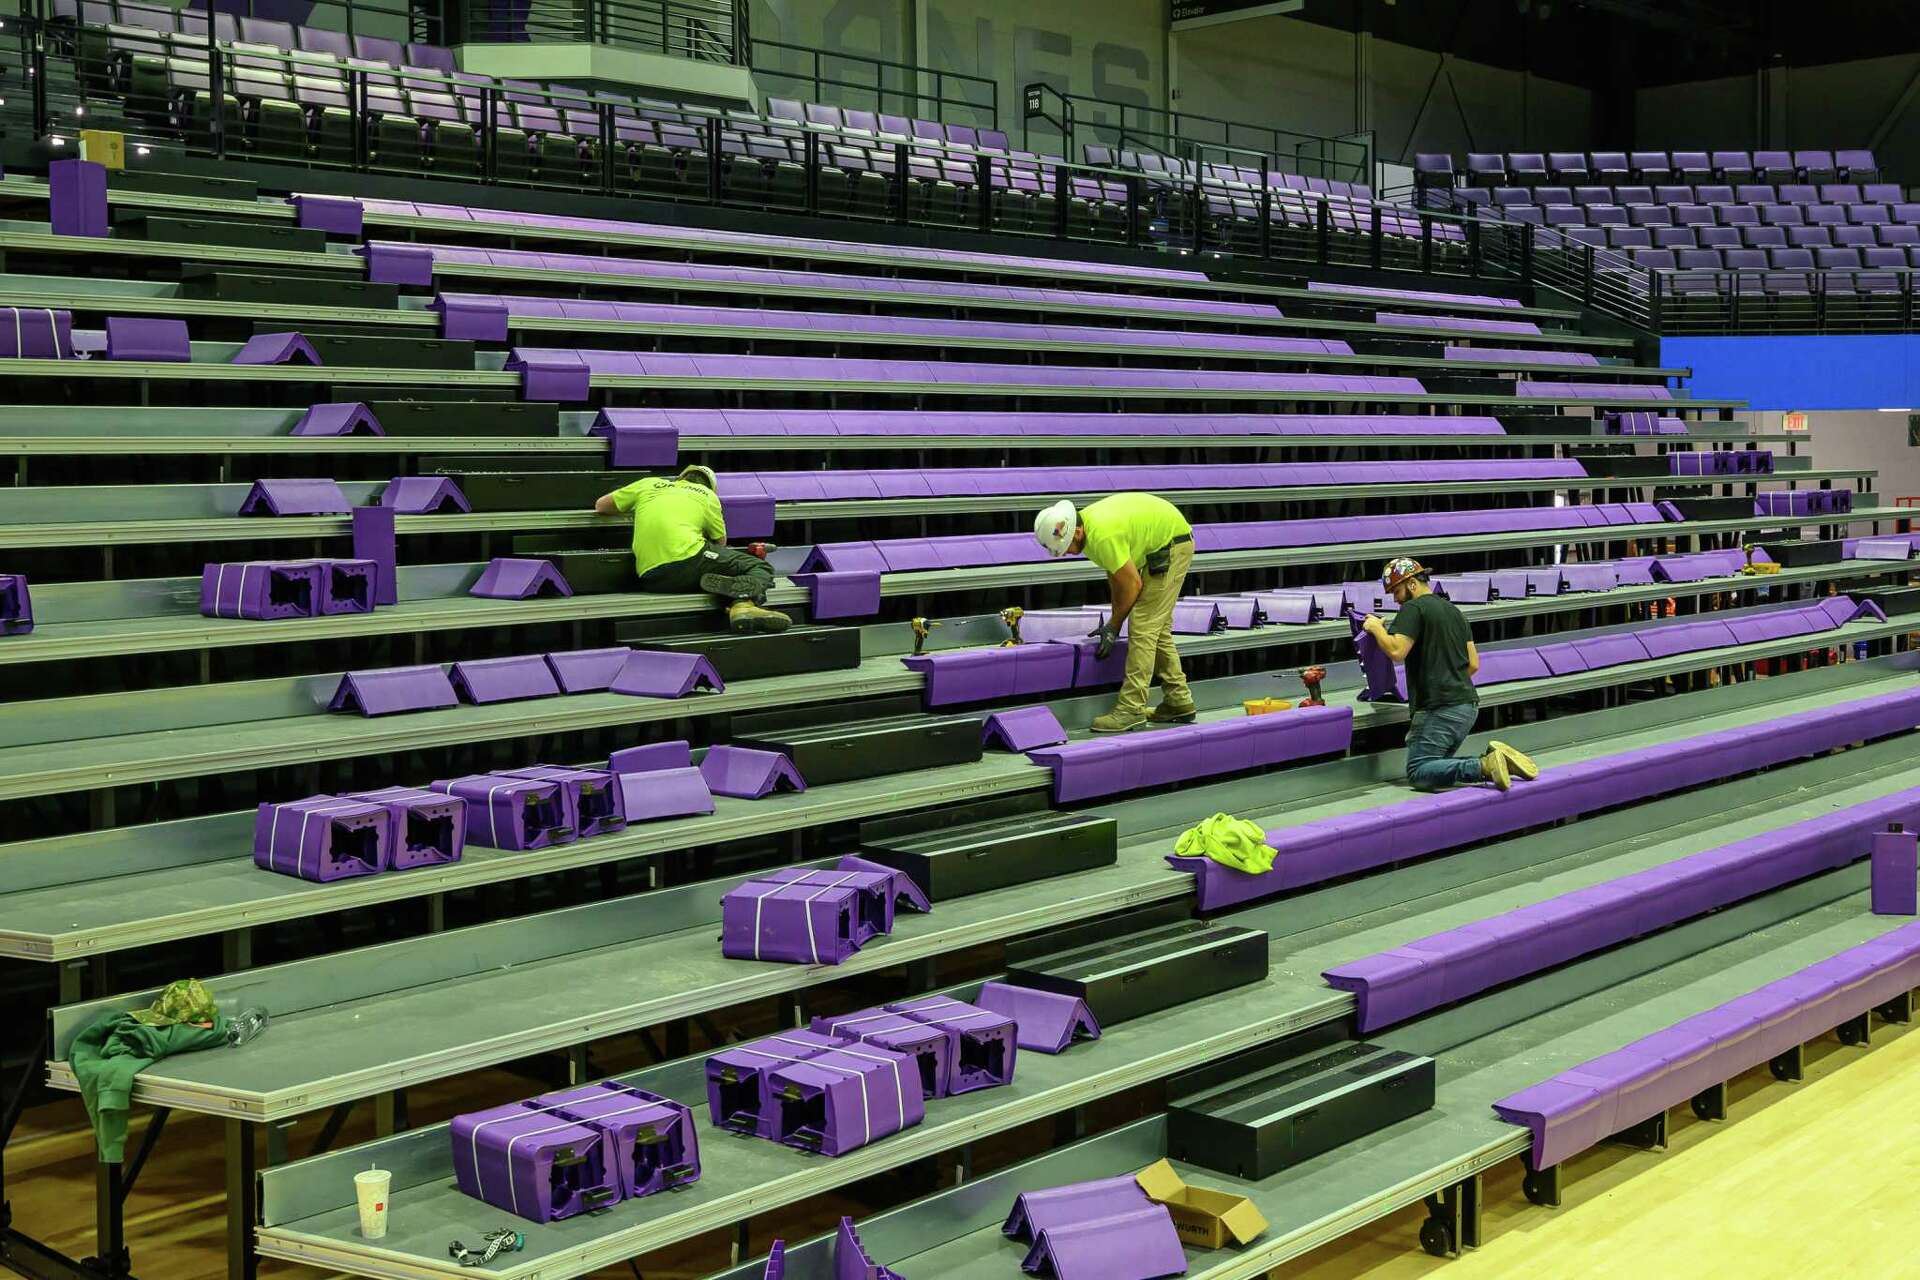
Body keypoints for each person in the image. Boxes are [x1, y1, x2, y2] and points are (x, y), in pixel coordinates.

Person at [1361, 557, 1539, 791]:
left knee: (1418, 772)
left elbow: (1396, 650)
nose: (1395, 598)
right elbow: (1473, 664)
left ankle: (1484, 766)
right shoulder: (1454, 611)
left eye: (1396, 590)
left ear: (1412, 583)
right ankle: (1499, 761)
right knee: (1436, 766)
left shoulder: (1413, 609)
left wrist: (1376, 628)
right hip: (1467, 706)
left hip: (1439, 707)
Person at [1034, 492, 1195, 733]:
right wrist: (1113, 621)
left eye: (1066, 547)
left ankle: (1131, 709)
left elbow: (1132, 585)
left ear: (1076, 532)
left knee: (1142, 628)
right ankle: (1178, 700)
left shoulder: (1101, 535)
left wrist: (1115, 624)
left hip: (1170, 544)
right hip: (1167, 540)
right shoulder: (1090, 530)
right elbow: (1117, 576)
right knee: (1156, 630)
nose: (1066, 552)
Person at [594, 465, 791, 634]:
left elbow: (601, 506)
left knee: (718, 567)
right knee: (757, 565)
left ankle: (741, 602)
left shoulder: (648, 484)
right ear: (711, 487)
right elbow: (719, 542)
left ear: (680, 478)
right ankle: (743, 605)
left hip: (651, 576)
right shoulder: (707, 496)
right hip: (689, 561)